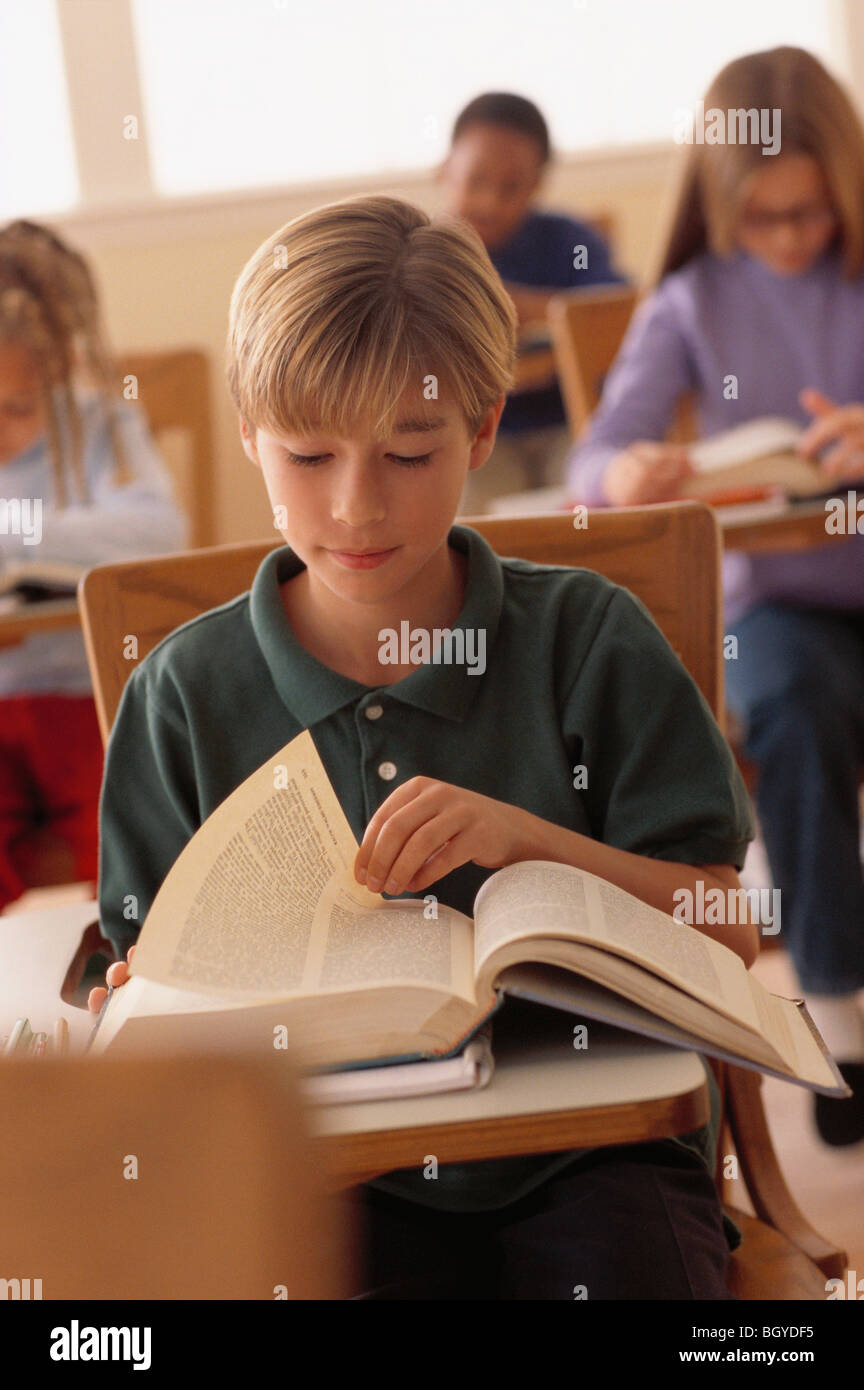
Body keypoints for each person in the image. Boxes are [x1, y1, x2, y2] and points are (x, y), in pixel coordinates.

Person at [90, 195, 756, 1299]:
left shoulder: (587, 640)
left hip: (599, 1156)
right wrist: (132, 1004)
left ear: (484, 428)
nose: (356, 506)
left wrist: (529, 844)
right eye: (308, 453)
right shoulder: (185, 695)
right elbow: (131, 981)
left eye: (408, 450)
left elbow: (728, 931)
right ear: (250, 432)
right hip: (321, 1171)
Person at [566, 46, 864, 1144]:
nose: (790, 238)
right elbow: (594, 457)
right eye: (765, 217)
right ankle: (841, 1019)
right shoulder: (693, 299)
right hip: (777, 604)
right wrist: (624, 473)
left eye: (813, 215)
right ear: (721, 201)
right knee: (791, 703)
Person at [0, 220, 187, 911]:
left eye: (18, 408)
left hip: (86, 697)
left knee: (127, 843)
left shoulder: (102, 427)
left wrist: (15, 536)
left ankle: (117, 975)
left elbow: (155, 531)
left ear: (57, 372)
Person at [439, 92, 625, 512]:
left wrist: (536, 307)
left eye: (511, 187)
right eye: (476, 181)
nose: (490, 201)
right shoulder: (427, 251)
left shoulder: (568, 239)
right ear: (445, 171)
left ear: (537, 185)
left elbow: (618, 311)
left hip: (567, 425)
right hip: (476, 437)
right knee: (472, 515)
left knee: (593, 499)